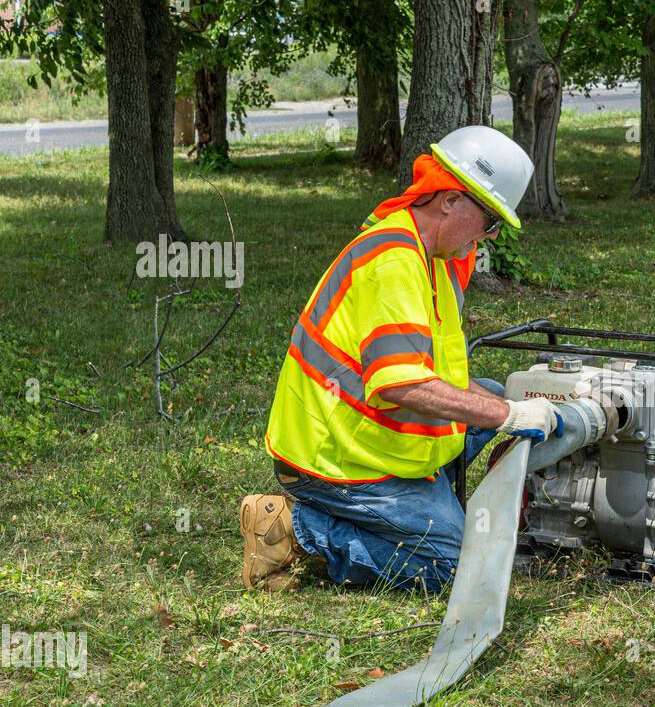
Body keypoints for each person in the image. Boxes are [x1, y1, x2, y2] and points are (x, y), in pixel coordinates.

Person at [240, 125, 561, 593]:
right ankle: (294, 528)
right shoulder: (394, 260)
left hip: (365, 438)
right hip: (336, 460)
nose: (490, 236)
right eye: (489, 220)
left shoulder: (428, 255)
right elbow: (401, 386)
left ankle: (426, 507)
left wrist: (504, 407)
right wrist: (510, 414)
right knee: (459, 567)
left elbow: (436, 375)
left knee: (491, 396)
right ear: (450, 200)